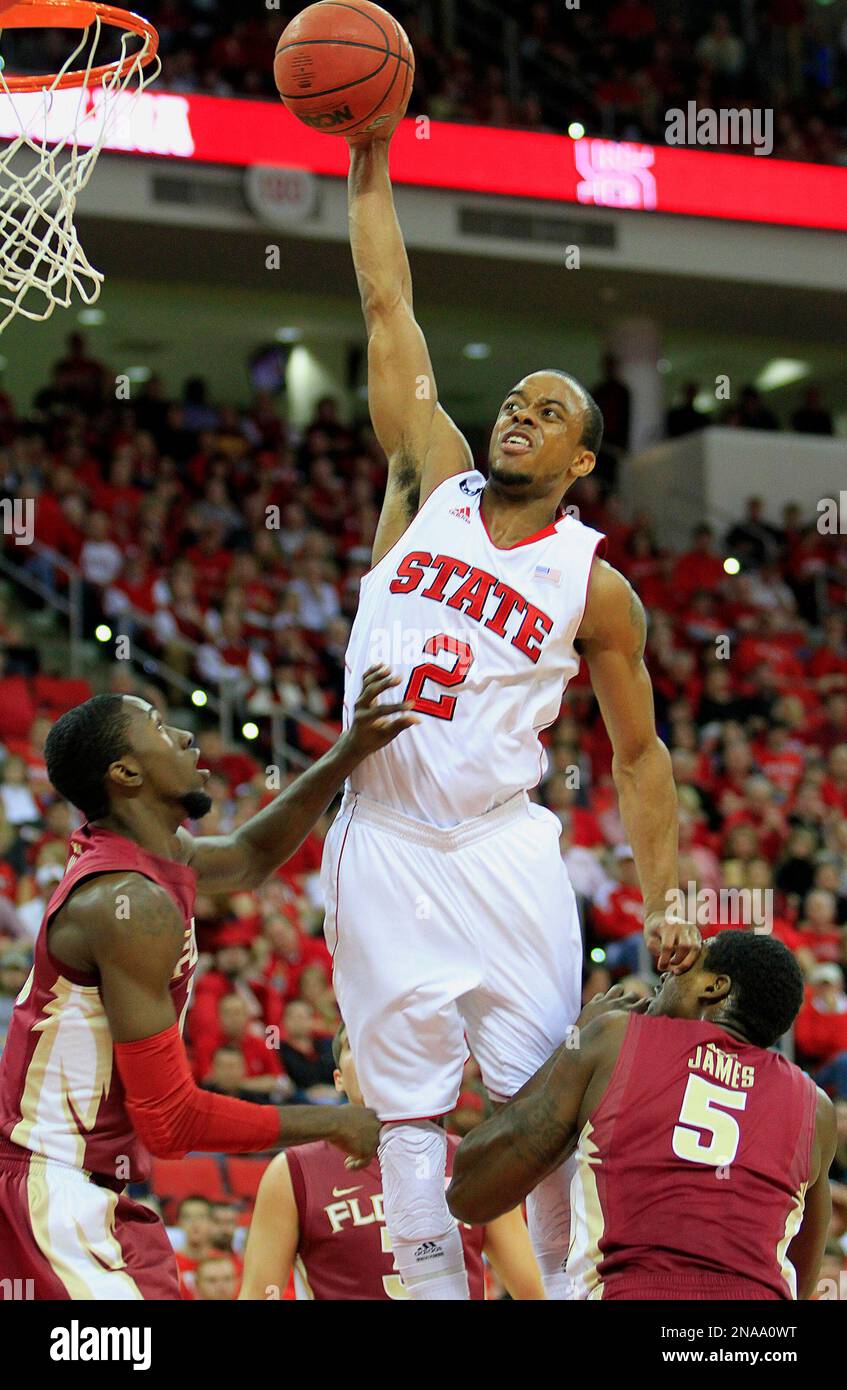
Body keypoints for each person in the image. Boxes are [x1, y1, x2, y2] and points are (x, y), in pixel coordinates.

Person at [321, 100, 699, 1303]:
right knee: (411, 1111)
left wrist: (668, 898)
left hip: (501, 844)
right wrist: (366, 167)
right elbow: (390, 305)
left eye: (548, 411)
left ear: (583, 460)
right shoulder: (429, 475)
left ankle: (579, 1290)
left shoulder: (594, 585)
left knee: (544, 1093)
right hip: (381, 838)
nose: (517, 415)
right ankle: (432, 1293)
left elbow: (636, 760)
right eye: (515, 402)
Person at [0, 671, 414, 1299]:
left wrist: (348, 749)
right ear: (127, 774)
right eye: (161, 729)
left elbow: (249, 856)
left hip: (87, 1189)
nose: (189, 738)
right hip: (48, 1187)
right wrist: (332, 1123)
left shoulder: (157, 858)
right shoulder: (128, 902)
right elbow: (170, 1121)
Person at [447, 932, 835, 1301]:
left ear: (714, 987)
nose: (665, 969)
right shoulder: (815, 1108)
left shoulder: (616, 1037)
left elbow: (471, 1192)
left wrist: (575, 1041)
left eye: (686, 963)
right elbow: (800, 1279)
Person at [239, 1023, 544, 1301]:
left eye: (384, 1044)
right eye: (356, 1045)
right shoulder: (292, 1171)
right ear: (339, 1079)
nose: (373, 1055)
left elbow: (533, 1291)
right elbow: (259, 1294)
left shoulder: (472, 1161)